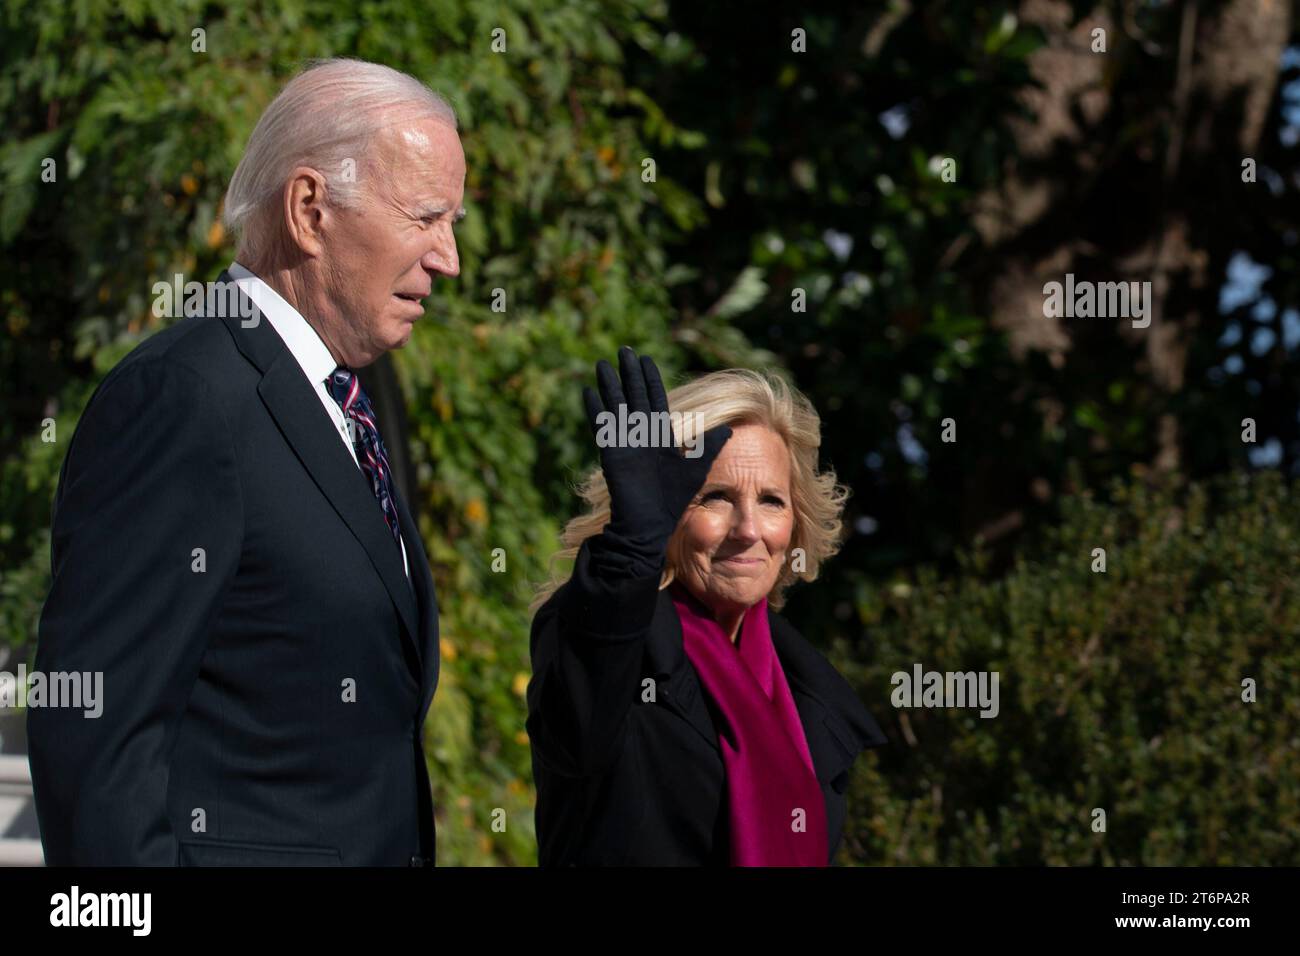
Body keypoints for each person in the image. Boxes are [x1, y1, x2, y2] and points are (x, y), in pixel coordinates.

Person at [27, 58, 463, 866]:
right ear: (309, 209)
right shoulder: (183, 397)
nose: (449, 259)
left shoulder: (356, 403)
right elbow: (94, 742)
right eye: (426, 217)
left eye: (453, 224)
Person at [527, 347, 888, 865]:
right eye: (713, 496)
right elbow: (576, 735)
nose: (747, 530)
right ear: (662, 509)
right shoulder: (604, 637)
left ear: (797, 522)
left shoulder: (805, 688)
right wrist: (633, 544)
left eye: (771, 501)